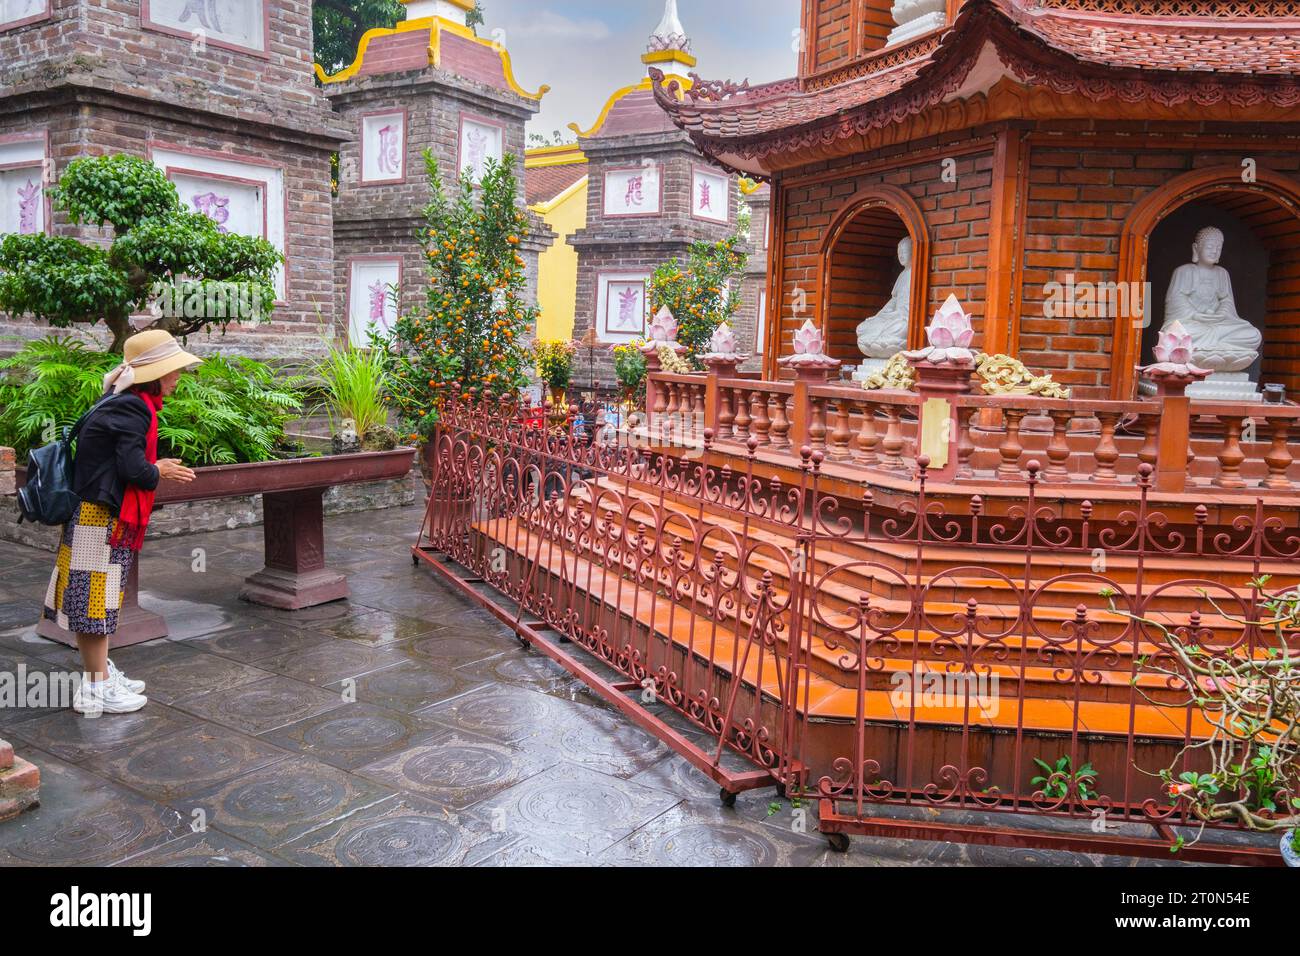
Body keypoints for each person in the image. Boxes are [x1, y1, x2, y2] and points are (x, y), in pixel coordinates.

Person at [42, 330, 199, 716]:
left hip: (93, 513)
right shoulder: (132, 407)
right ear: (156, 374)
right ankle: (94, 689)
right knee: (94, 603)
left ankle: (100, 674)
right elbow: (133, 469)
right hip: (98, 516)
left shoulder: (121, 400)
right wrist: (158, 470)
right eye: (174, 370)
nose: (178, 376)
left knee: (95, 600)